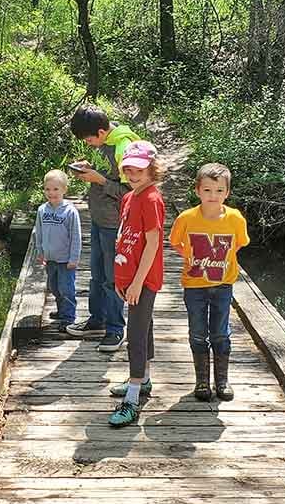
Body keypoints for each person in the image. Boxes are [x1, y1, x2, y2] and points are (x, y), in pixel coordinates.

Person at [169, 163, 250, 402]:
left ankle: (222, 381)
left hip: (223, 285)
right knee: (197, 333)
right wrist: (192, 257)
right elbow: (175, 242)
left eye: (218, 191)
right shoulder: (187, 218)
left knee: (220, 333)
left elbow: (240, 243)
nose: (212, 196)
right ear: (197, 191)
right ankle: (202, 381)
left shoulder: (235, 218)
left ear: (227, 192)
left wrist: (219, 258)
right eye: (207, 190)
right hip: (194, 286)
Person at [66, 105, 139, 352]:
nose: (88, 143)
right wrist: (88, 168)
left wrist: (100, 180)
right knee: (96, 276)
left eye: (88, 139)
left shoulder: (124, 147)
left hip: (114, 224)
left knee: (112, 279)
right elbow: (106, 172)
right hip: (98, 220)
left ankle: (115, 330)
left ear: (100, 131)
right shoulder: (103, 143)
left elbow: (132, 192)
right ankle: (97, 320)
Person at [107, 141, 166, 427]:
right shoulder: (130, 197)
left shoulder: (152, 199)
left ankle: (131, 400)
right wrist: (122, 279)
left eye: (139, 169)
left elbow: (153, 244)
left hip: (144, 281)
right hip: (130, 278)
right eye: (128, 168)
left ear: (152, 169)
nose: (133, 174)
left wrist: (137, 284)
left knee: (136, 335)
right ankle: (143, 380)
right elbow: (125, 238)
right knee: (145, 327)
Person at [35, 170, 82, 332]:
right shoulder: (42, 210)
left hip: (65, 259)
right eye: (47, 189)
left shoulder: (70, 211)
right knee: (54, 287)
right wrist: (40, 251)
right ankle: (61, 311)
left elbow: (76, 237)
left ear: (64, 190)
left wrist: (74, 258)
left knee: (66, 288)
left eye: (55, 189)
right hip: (50, 259)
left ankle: (69, 317)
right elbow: (39, 232)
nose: (51, 193)